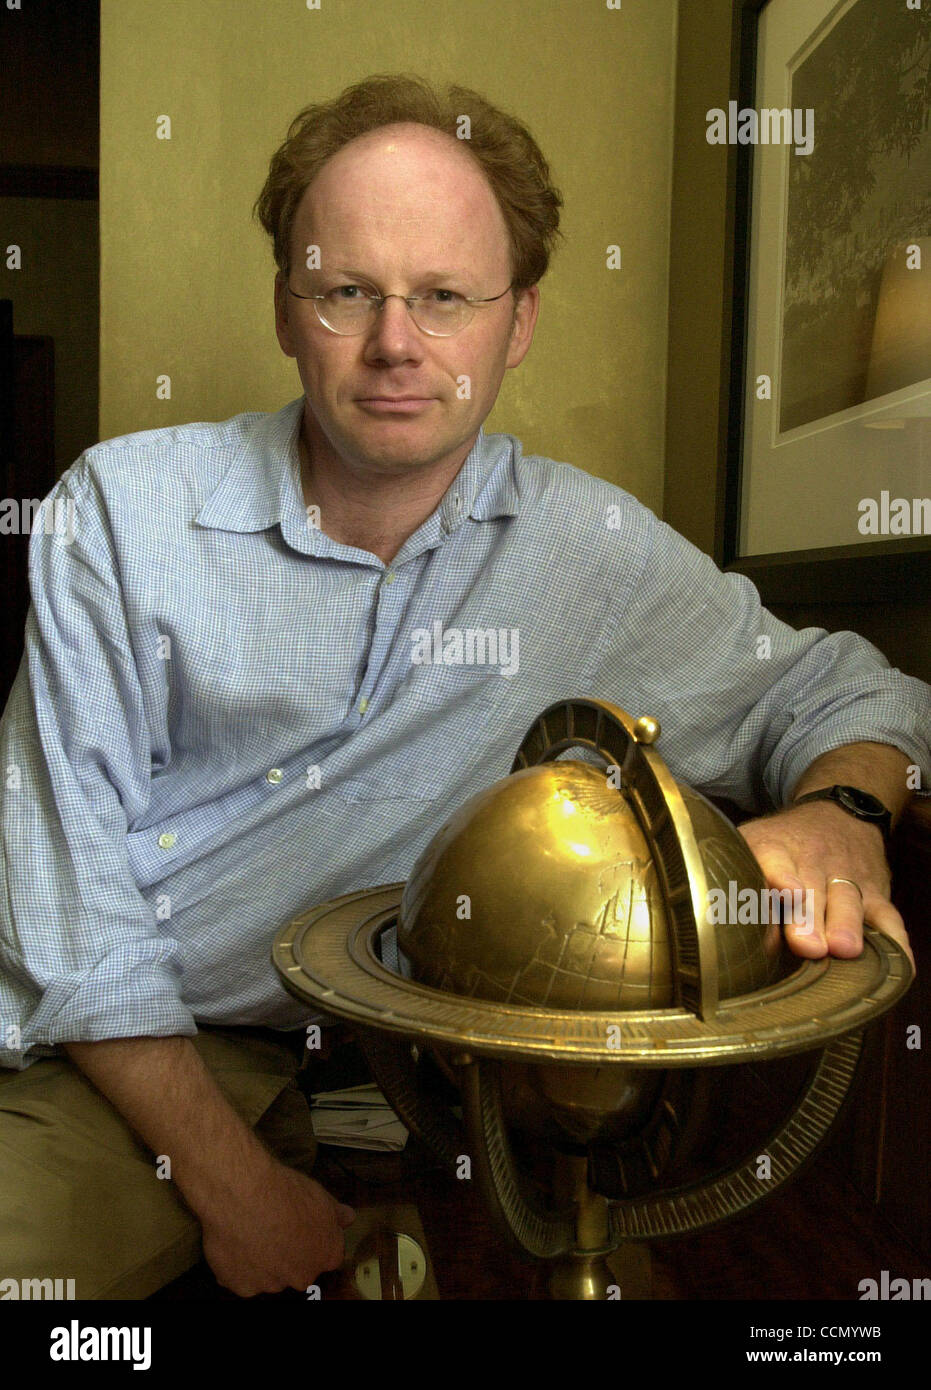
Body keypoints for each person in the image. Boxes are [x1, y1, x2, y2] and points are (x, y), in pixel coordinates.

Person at [1, 73, 929, 1301]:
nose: (396, 344)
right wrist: (239, 1194)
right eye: (347, 293)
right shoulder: (115, 516)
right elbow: (73, 920)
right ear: (288, 309)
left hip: (378, 1056)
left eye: (445, 297)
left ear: (518, 320)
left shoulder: (589, 554)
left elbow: (854, 688)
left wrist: (845, 813)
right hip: (106, 1045)